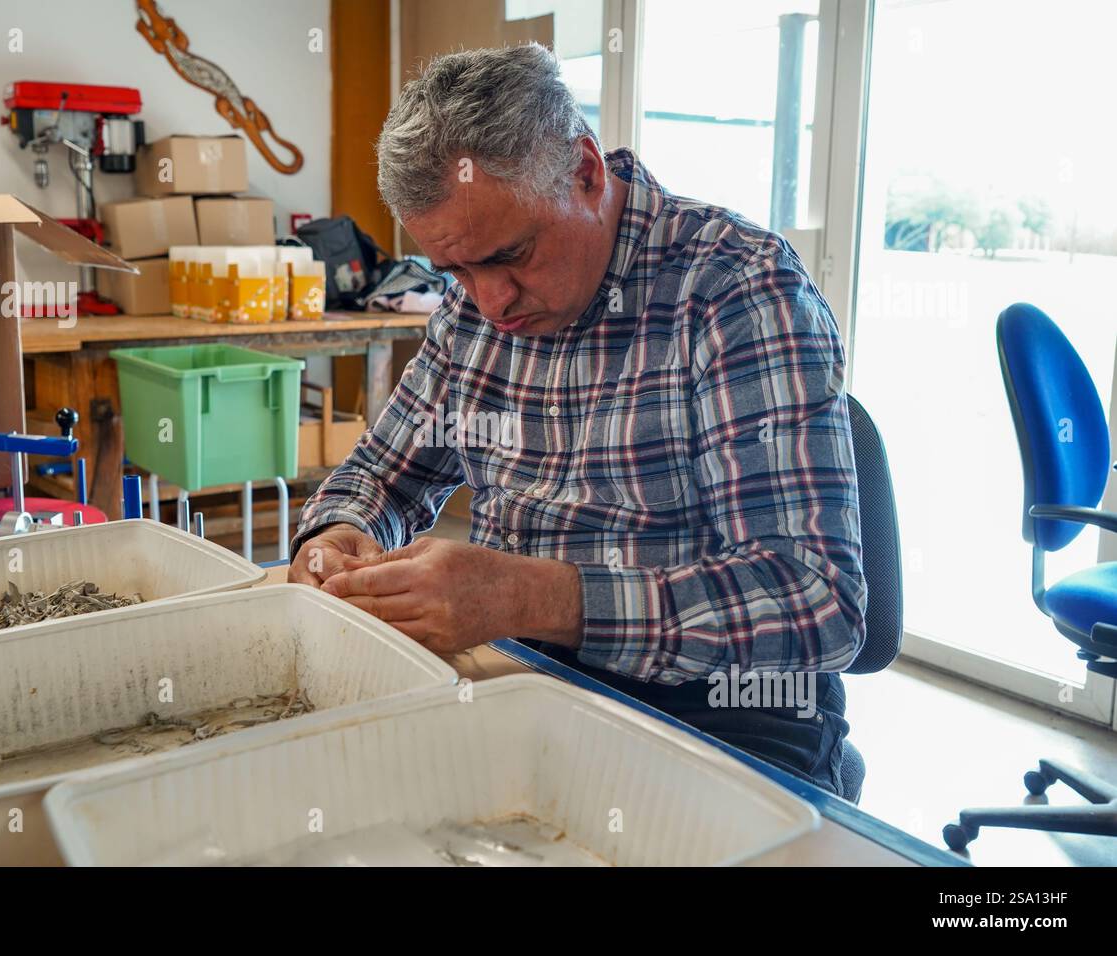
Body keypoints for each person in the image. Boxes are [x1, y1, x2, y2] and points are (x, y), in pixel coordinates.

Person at [288, 43, 866, 796]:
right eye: (456, 271)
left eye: (510, 255)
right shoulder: (474, 306)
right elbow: (382, 472)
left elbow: (815, 600)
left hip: (721, 714)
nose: (490, 300)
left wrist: (533, 596)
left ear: (586, 172)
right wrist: (339, 534)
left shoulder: (737, 292)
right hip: (525, 671)